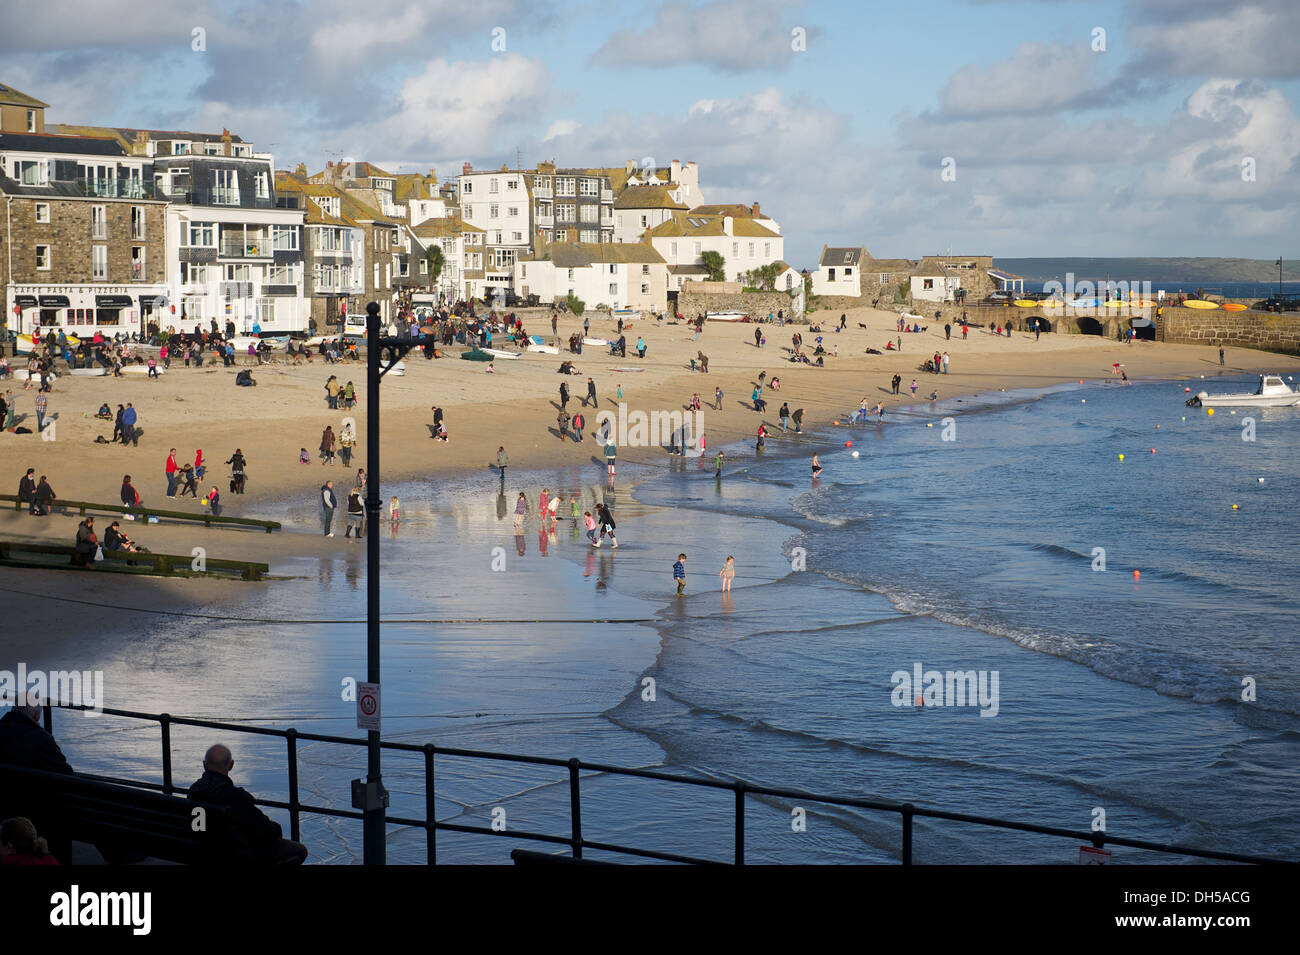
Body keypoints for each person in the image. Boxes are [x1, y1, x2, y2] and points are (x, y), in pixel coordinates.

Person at [187, 744, 308, 865]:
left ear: (204, 765)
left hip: (202, 852)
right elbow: (265, 832)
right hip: (235, 856)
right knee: (299, 850)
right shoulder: (237, 797)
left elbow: (197, 828)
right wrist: (276, 828)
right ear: (231, 765)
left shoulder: (194, 791)